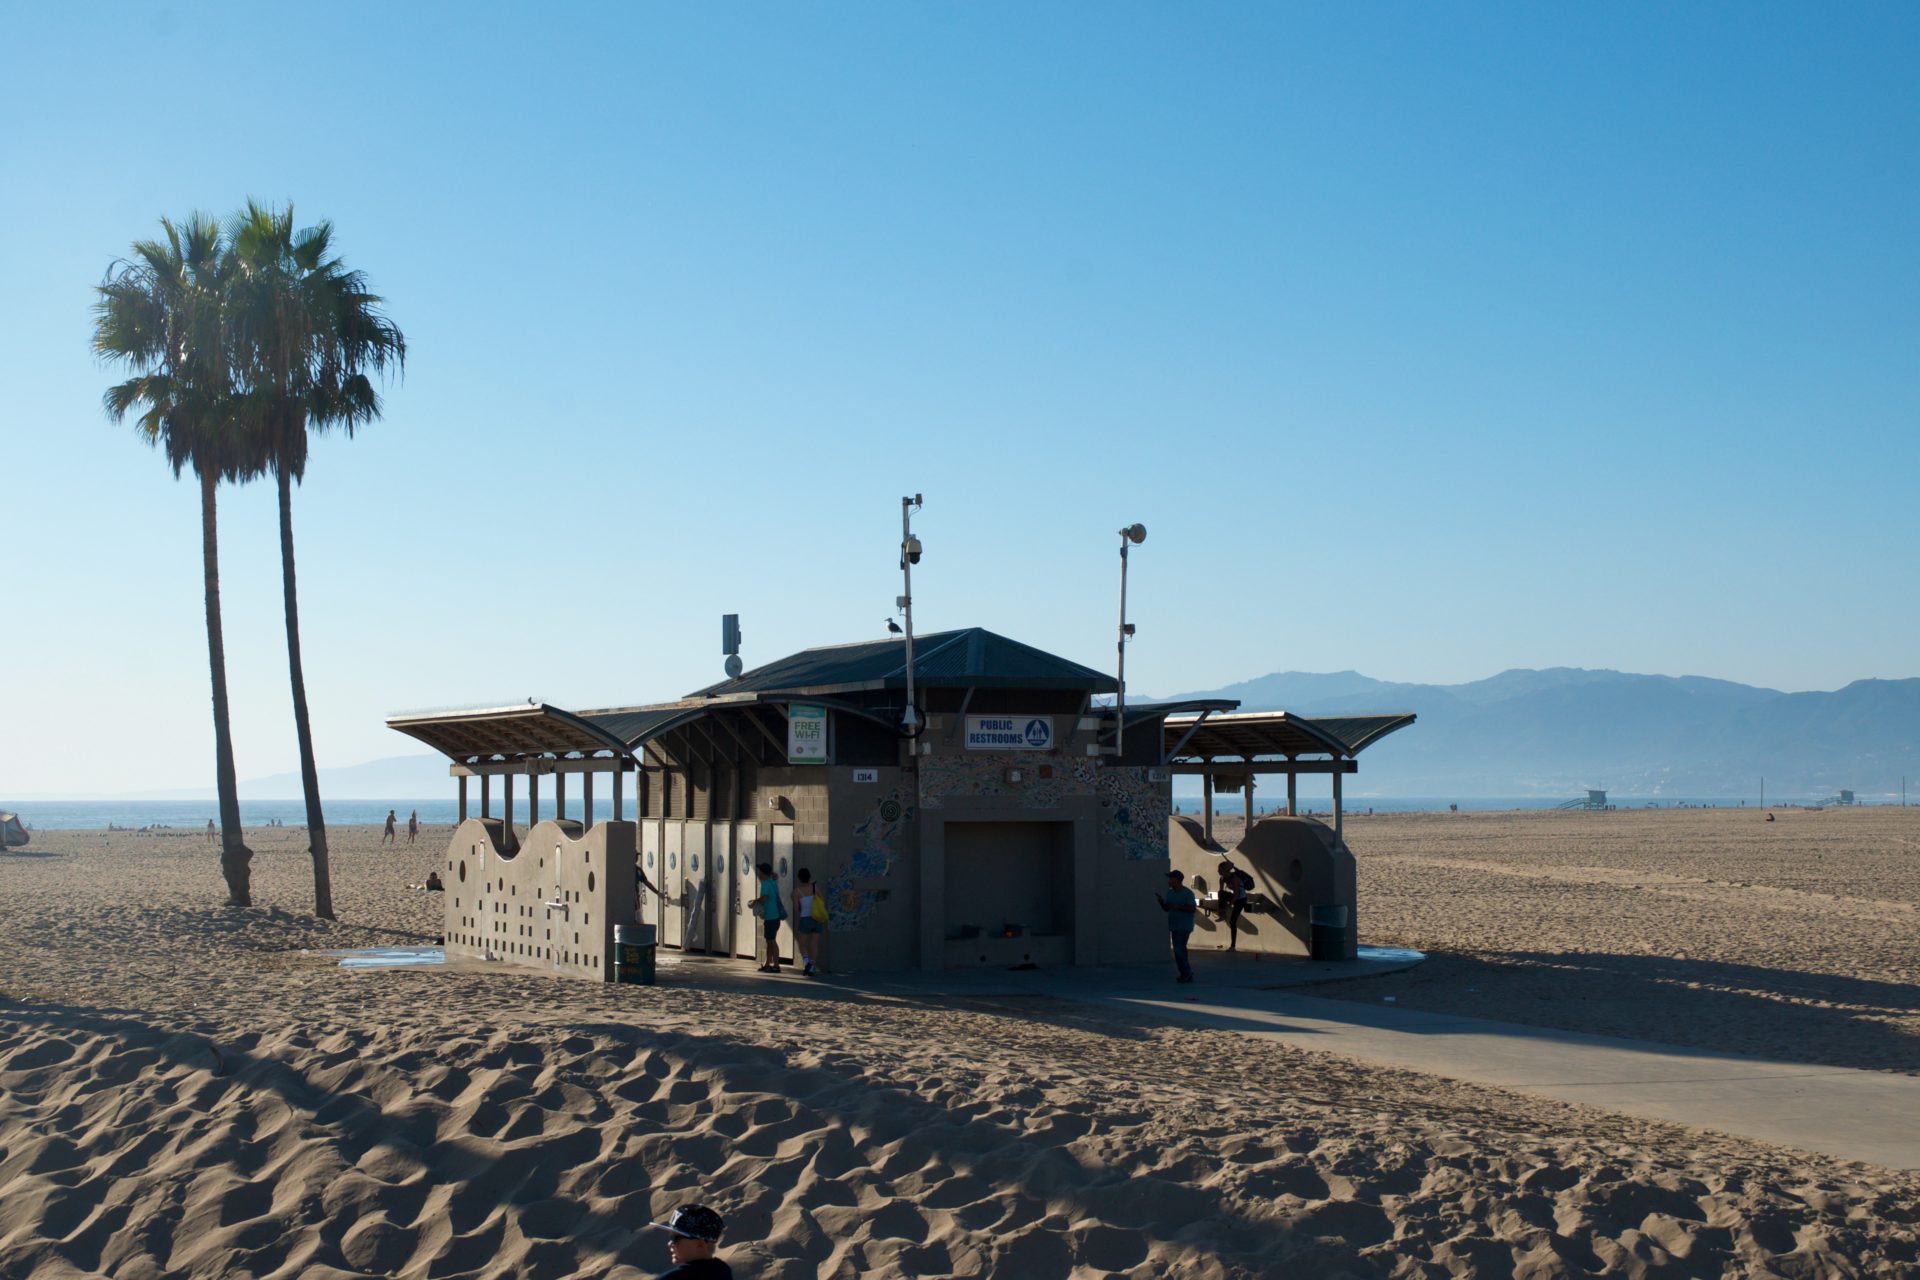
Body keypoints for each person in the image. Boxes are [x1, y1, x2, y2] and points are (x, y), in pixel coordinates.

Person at [650, 1203, 730, 1278]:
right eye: (671, 1237)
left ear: (700, 1244)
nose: (670, 1244)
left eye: (675, 1238)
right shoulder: (723, 1271)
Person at [1156, 869, 1197, 983]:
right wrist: (1161, 903)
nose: (1169, 881)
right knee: (1178, 950)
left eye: (1171, 878)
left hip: (1184, 926)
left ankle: (1187, 972)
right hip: (1174, 925)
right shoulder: (1170, 893)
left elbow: (1192, 909)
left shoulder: (1188, 893)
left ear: (1177, 880)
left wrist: (1177, 906)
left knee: (1179, 949)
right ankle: (1184, 973)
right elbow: (1167, 909)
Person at [752, 862, 787, 972]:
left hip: (771, 917)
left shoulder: (766, 884)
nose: (758, 873)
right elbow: (774, 876)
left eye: (759, 871)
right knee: (769, 941)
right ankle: (768, 963)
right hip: (774, 917)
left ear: (762, 873)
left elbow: (764, 898)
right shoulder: (772, 882)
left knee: (771, 941)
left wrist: (754, 902)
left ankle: (776, 965)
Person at [792, 867, 826, 977]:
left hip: (805, 918)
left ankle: (806, 963)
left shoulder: (797, 891)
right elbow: (822, 901)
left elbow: (796, 909)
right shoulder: (815, 888)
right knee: (814, 944)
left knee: (802, 944)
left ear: (799, 878)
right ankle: (811, 967)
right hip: (817, 918)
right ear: (809, 877)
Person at [1217, 859, 1250, 952]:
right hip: (1234, 898)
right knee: (1221, 893)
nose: (1218, 871)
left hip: (1241, 900)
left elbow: (1236, 894)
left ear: (1224, 870)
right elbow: (1221, 893)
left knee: (1232, 921)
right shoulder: (1222, 879)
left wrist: (1230, 904)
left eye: (1219, 869)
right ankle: (1222, 914)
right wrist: (1222, 907)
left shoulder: (1234, 878)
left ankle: (1233, 946)